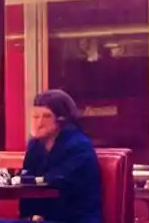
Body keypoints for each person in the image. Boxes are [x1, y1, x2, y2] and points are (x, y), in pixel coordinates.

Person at [15, 89, 102, 223]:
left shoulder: (78, 146)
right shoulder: (34, 145)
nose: (39, 123)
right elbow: (27, 180)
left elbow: (59, 183)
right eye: (35, 117)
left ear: (61, 120)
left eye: (46, 116)